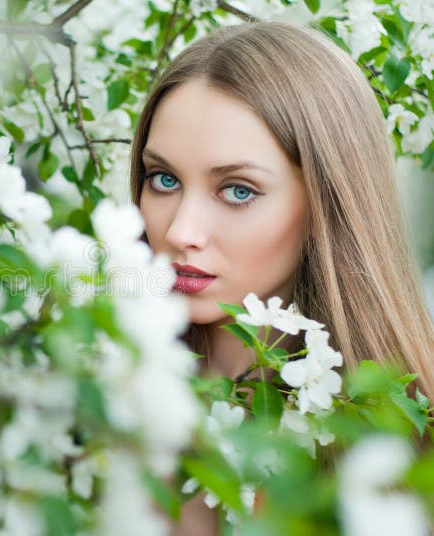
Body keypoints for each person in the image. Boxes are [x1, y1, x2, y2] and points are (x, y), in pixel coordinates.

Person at [129, 20, 434, 534]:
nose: (181, 231)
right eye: (163, 179)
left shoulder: (410, 437)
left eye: (238, 190)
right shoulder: (78, 394)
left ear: (327, 203)